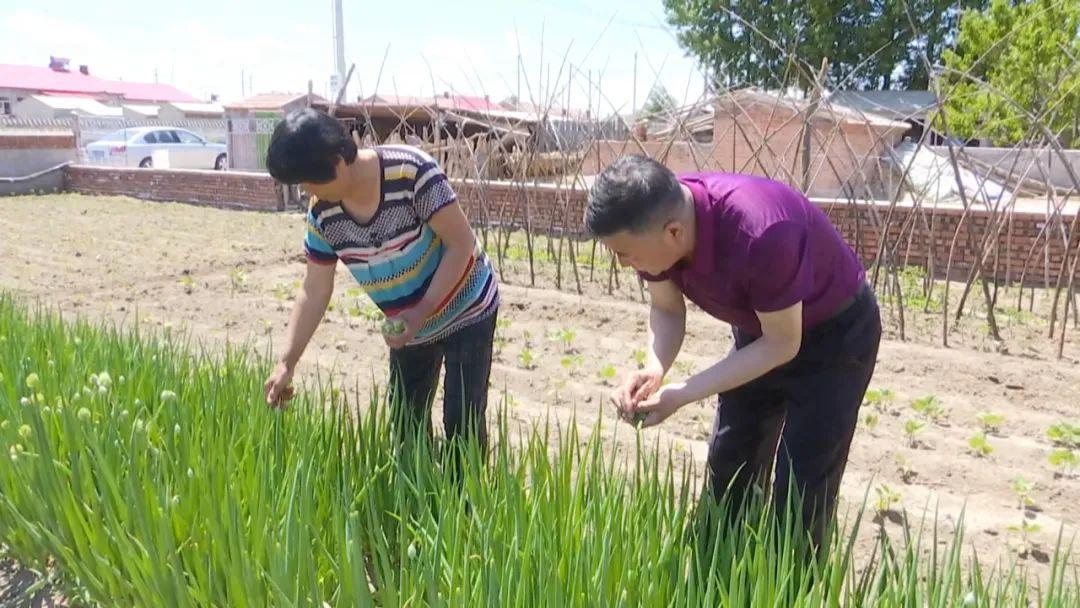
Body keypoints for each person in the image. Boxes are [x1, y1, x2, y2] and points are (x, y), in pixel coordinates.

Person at [585, 155, 881, 546]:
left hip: (835, 336)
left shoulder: (760, 232)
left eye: (626, 253)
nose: (623, 264)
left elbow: (783, 343)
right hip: (763, 327)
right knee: (731, 457)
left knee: (803, 483)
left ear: (673, 232)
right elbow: (667, 309)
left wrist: (683, 393)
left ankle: (792, 574)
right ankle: (717, 562)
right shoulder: (655, 219)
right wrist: (655, 368)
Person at [262, 108, 500, 455]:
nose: (305, 191)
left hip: (467, 308)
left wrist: (423, 310)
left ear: (337, 163)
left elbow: (460, 244)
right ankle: (420, 486)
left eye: (308, 181)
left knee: (461, 422)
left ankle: (466, 489)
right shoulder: (323, 214)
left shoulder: (411, 173)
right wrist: (287, 362)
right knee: (406, 426)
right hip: (407, 323)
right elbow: (314, 289)